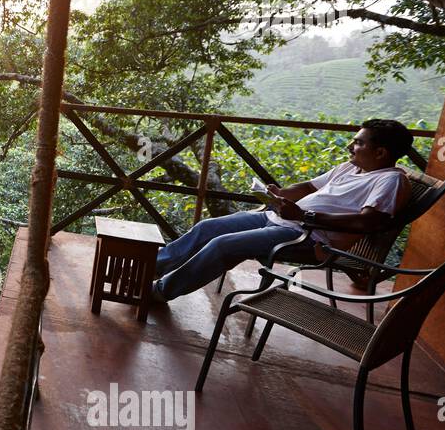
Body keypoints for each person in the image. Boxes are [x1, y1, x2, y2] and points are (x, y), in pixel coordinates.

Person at [149, 118, 414, 303]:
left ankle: (160, 291)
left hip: (308, 237)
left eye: (358, 143)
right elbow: (309, 186)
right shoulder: (351, 167)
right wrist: (281, 194)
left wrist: (304, 216)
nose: (350, 147)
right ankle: (151, 266)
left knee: (222, 245)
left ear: (380, 152)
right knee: (208, 227)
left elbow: (368, 222)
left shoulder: (389, 180)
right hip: (279, 219)